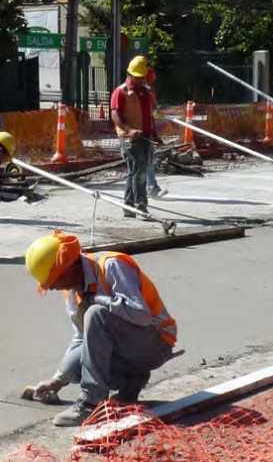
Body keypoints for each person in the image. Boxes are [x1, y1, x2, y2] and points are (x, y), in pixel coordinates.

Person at [24, 230, 177, 427]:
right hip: (127, 346)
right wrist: (57, 380)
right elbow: (81, 337)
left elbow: (141, 315)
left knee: (96, 313)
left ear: (71, 268)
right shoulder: (71, 291)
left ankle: (91, 403)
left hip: (155, 342)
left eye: (54, 281)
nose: (53, 287)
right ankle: (131, 382)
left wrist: (99, 300)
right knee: (73, 367)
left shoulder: (111, 266)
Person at [110, 55, 157, 216]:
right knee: (140, 169)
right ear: (130, 74)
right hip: (129, 138)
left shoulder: (145, 92)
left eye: (142, 77)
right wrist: (128, 130)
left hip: (145, 137)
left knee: (134, 172)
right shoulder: (120, 92)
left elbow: (150, 115)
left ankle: (128, 206)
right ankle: (140, 205)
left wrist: (155, 134)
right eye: (138, 77)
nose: (140, 80)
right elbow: (115, 115)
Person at [144, 65, 166, 199]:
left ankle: (151, 188)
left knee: (148, 161)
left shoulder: (148, 92)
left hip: (147, 132)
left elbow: (152, 114)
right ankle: (150, 188)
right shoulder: (143, 92)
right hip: (138, 133)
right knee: (144, 162)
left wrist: (155, 134)